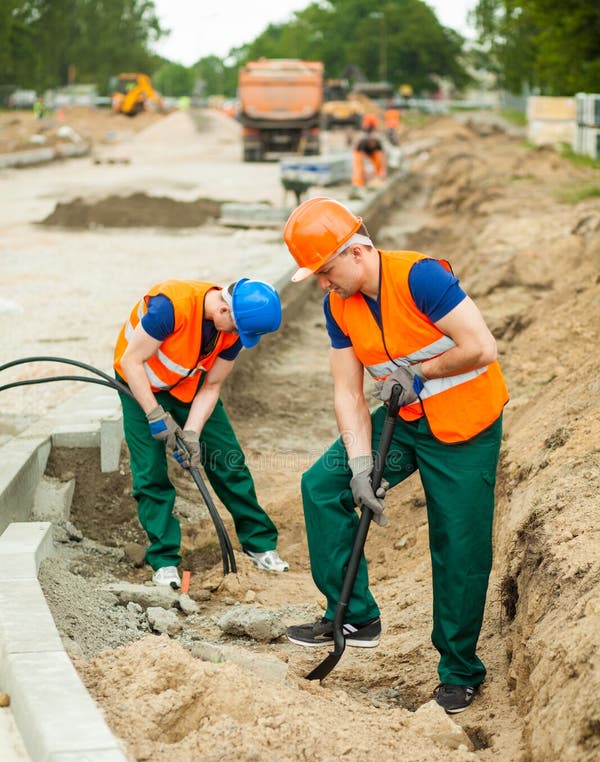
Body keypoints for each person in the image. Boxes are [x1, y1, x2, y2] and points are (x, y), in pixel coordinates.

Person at [282, 198, 508, 714]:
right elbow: (348, 392)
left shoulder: (421, 278)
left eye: (325, 270)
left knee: (458, 542)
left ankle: (460, 670)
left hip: (465, 423)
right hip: (404, 423)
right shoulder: (338, 304)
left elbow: (481, 345)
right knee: (324, 486)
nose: (323, 283)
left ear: (357, 251)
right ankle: (355, 616)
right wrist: (361, 467)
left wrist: (422, 374)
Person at [113, 277, 289, 587]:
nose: (236, 336)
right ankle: (165, 561)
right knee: (151, 473)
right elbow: (131, 361)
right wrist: (155, 415)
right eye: (235, 329)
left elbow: (212, 385)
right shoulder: (171, 307)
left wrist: (192, 433)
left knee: (227, 459)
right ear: (224, 308)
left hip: (187, 386)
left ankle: (258, 543)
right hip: (140, 385)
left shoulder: (232, 330)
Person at [349, 134, 387, 199]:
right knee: (359, 170)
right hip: (359, 155)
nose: (373, 145)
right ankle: (357, 186)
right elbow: (363, 158)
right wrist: (367, 171)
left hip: (371, 155)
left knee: (376, 167)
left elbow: (382, 157)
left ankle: (374, 183)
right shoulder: (364, 143)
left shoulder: (378, 144)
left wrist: (383, 170)